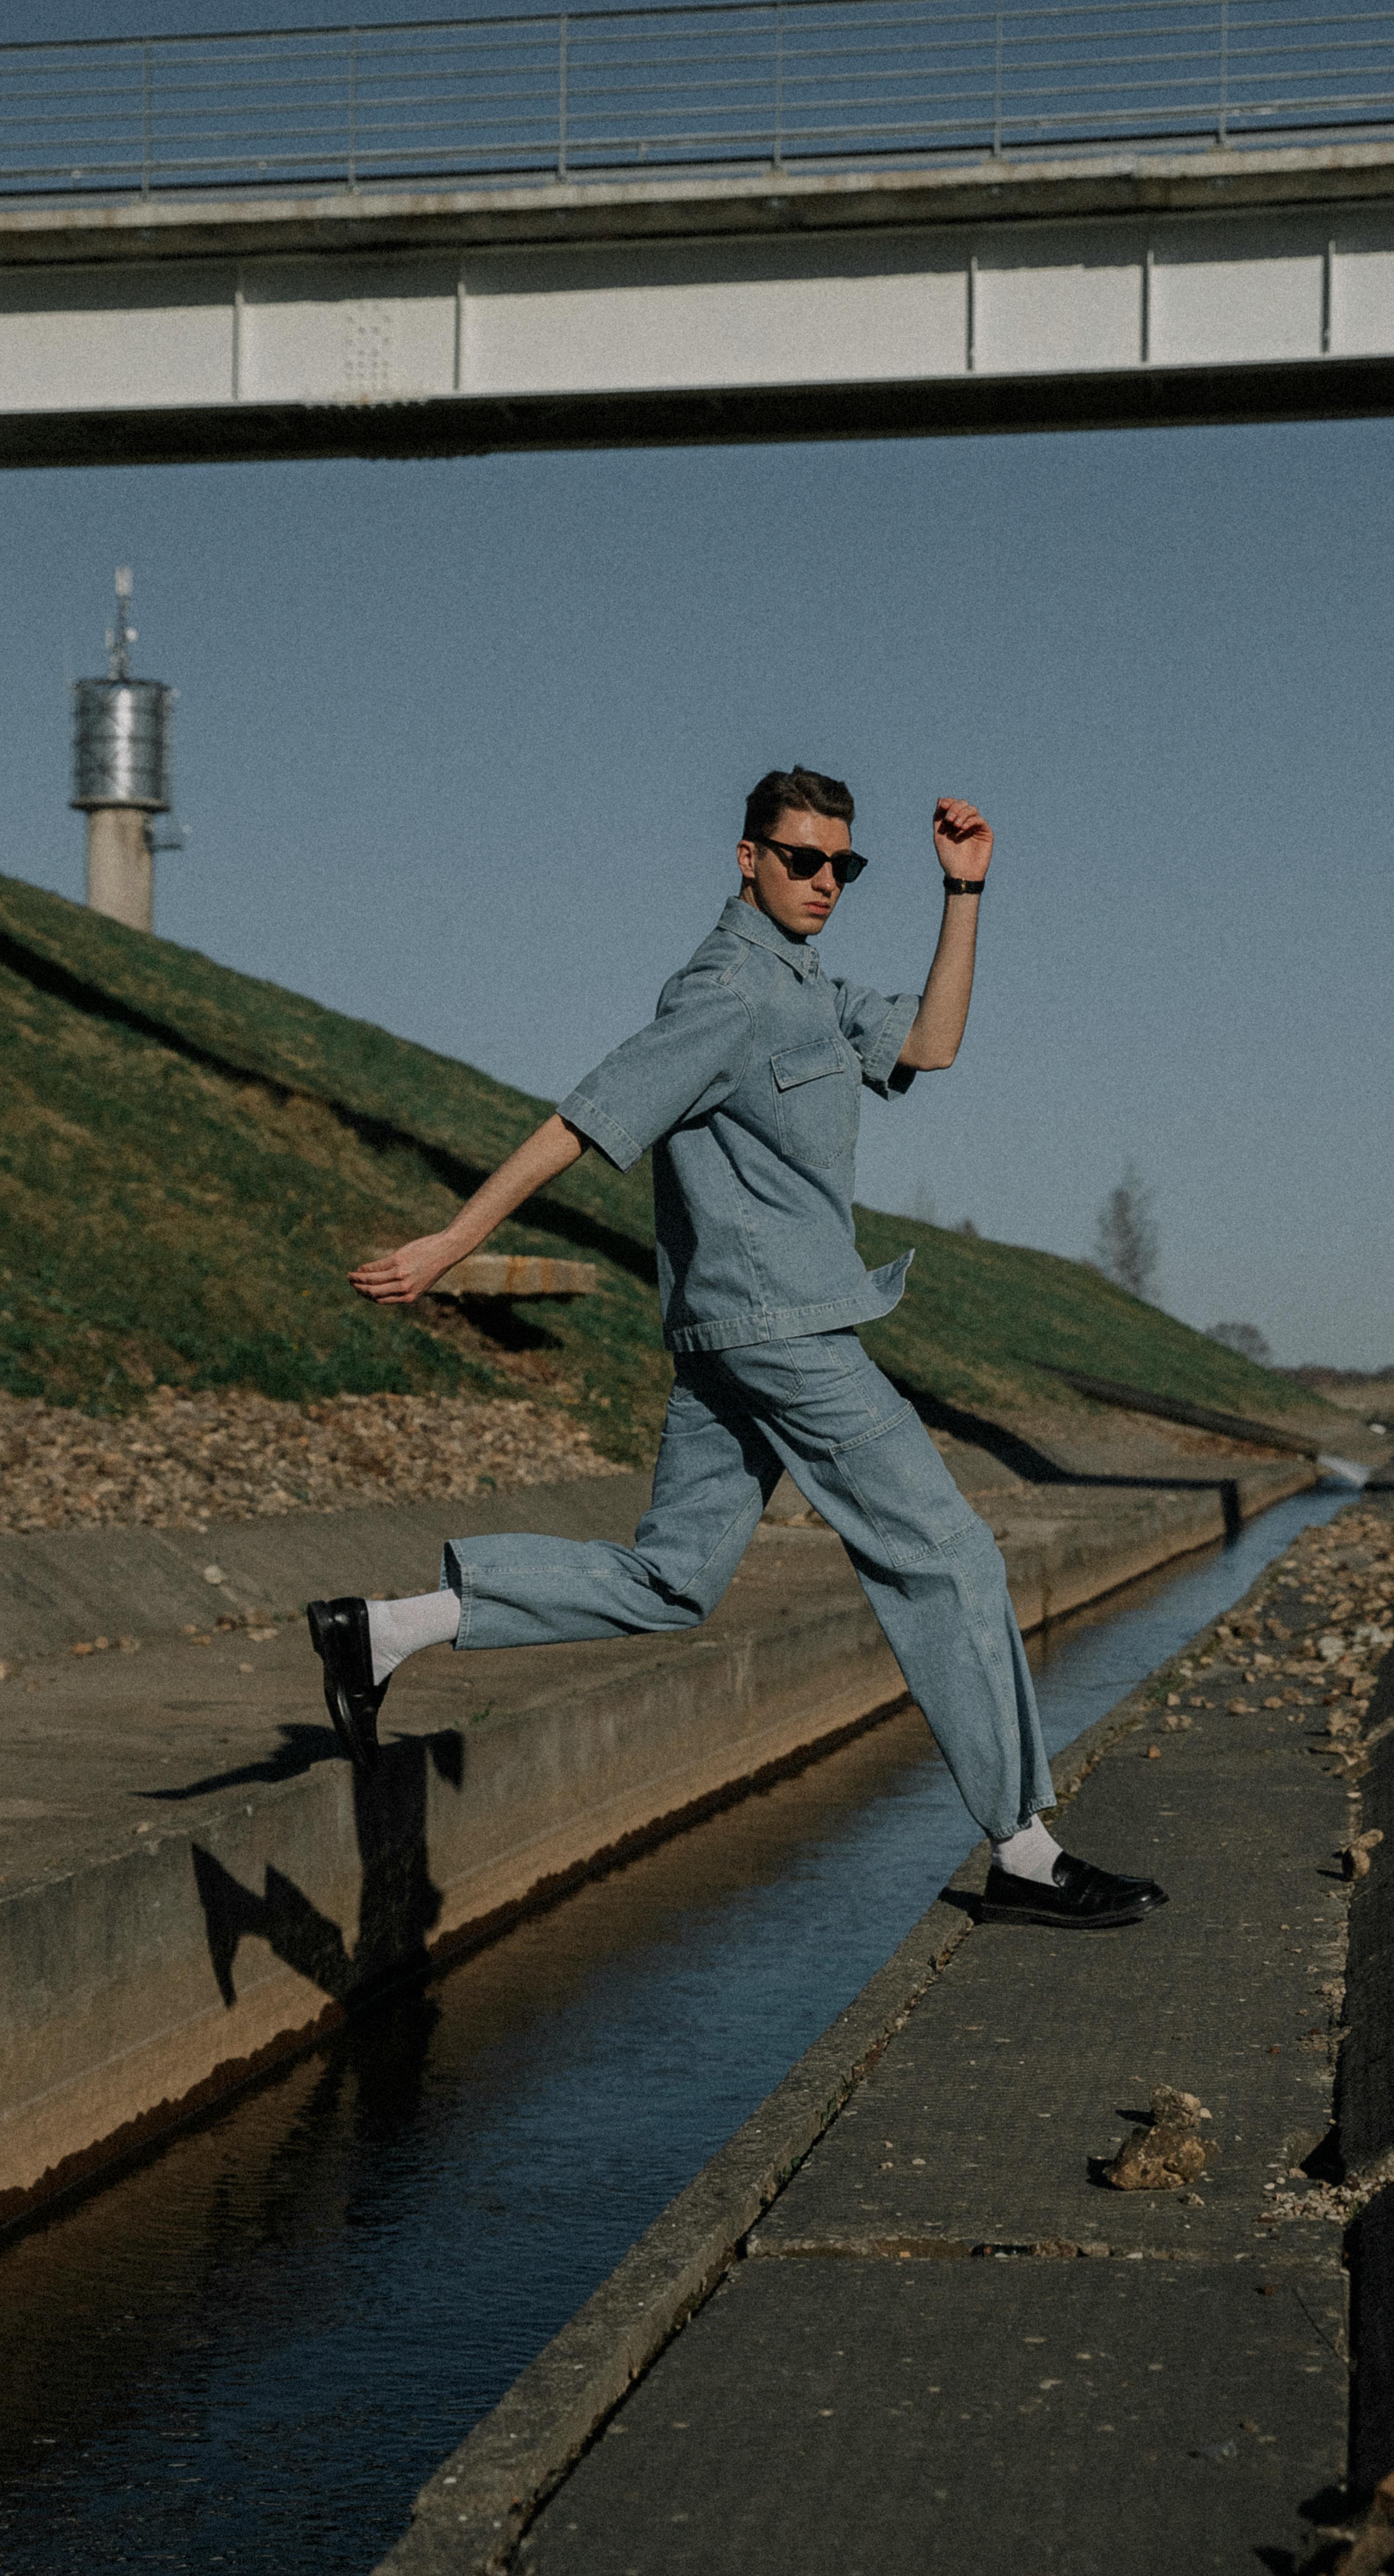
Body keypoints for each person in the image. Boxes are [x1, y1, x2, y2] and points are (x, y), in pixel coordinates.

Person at [308, 767, 1164, 1930]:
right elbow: (583, 1119)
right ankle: (1021, 1843)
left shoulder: (803, 983)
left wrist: (963, 892)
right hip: (785, 1329)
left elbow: (931, 1043)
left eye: (842, 866)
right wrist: (453, 1241)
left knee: (673, 1580)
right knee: (950, 1553)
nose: (824, 882)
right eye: (801, 859)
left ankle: (386, 1628)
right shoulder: (725, 993)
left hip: (733, 1336)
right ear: (746, 858)